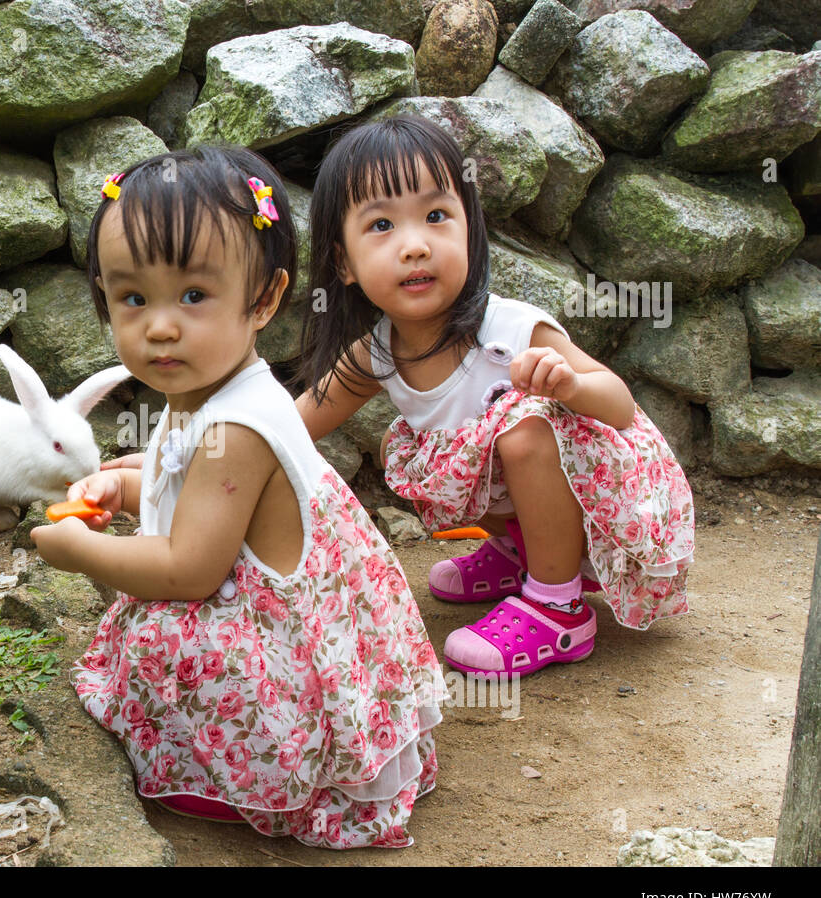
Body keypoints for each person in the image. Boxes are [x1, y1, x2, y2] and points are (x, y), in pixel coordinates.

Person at [30, 146, 445, 849]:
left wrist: (84, 552)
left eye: (193, 295)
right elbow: (188, 492)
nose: (160, 325)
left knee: (158, 630)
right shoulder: (206, 387)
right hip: (301, 628)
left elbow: (189, 568)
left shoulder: (235, 426)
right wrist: (121, 487)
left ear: (265, 298)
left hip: (278, 668)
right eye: (134, 297)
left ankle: (247, 778)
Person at [296, 116, 694, 680]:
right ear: (344, 264)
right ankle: (519, 555)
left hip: (612, 507)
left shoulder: (509, 330)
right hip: (548, 502)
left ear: (468, 232)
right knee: (429, 442)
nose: (414, 246)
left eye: (436, 217)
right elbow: (292, 427)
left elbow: (621, 405)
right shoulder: (376, 352)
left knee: (522, 422)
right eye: (381, 225)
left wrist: (570, 386)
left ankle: (557, 604)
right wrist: (192, 452)